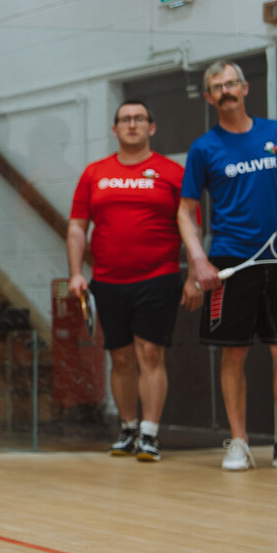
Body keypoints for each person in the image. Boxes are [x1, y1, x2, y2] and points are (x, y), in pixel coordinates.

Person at [67, 100, 201, 462]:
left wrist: (193, 274)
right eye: (125, 120)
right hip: (108, 281)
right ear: (115, 129)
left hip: (158, 277)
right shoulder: (94, 173)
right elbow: (78, 227)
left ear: (151, 128)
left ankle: (150, 434)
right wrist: (77, 272)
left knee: (150, 353)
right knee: (121, 358)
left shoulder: (172, 172)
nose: (132, 124)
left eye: (139, 119)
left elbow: (191, 226)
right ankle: (127, 428)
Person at [176, 60, 277, 471]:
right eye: (217, 87)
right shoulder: (204, 149)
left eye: (232, 83)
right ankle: (238, 441)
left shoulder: (274, 134)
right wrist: (198, 261)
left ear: (246, 88)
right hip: (231, 260)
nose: (226, 91)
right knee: (233, 355)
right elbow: (186, 212)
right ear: (209, 97)